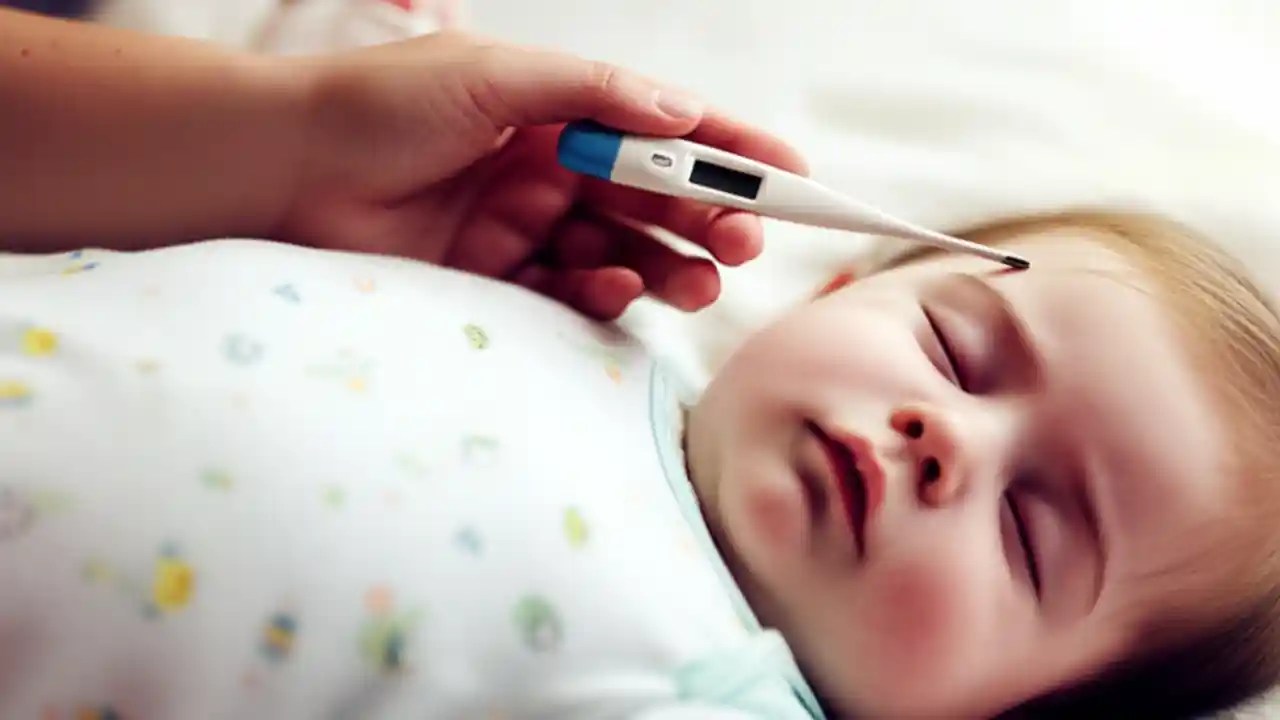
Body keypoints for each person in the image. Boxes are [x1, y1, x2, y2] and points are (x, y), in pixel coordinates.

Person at [2, 8, 1279, 720]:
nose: (948, 443)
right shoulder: (557, 302)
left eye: (1032, 536)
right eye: (951, 349)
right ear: (837, 284)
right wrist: (308, 115)